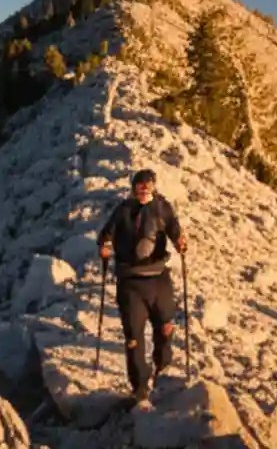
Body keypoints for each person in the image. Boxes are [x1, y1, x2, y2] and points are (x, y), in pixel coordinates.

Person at [97, 168, 188, 405]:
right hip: (130, 282)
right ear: (133, 187)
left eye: (148, 184)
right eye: (140, 184)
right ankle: (139, 386)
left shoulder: (162, 207)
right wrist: (105, 245)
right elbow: (106, 233)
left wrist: (179, 241)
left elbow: (173, 228)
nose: (144, 188)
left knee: (165, 327)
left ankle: (163, 370)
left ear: (154, 185)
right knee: (133, 337)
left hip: (159, 278)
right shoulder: (123, 210)